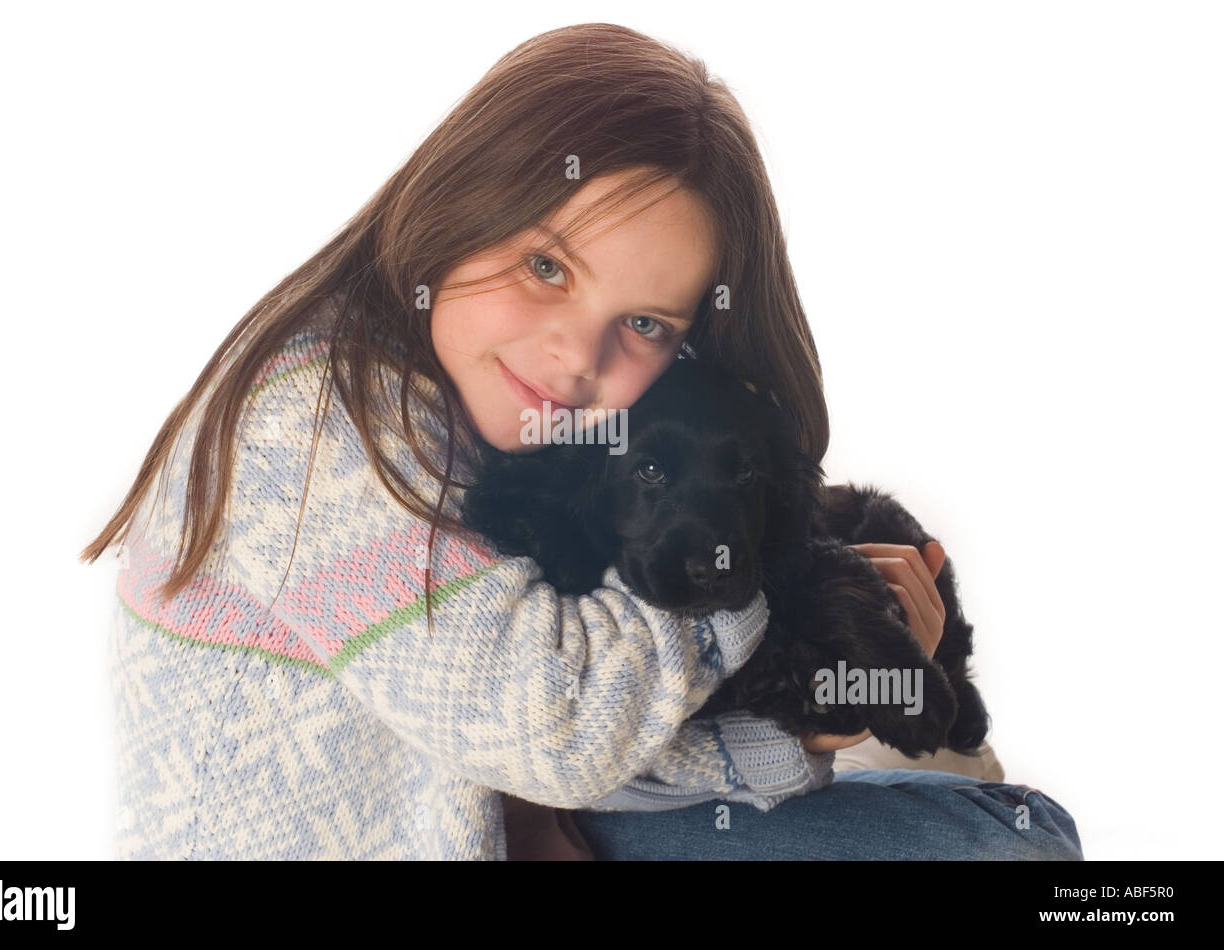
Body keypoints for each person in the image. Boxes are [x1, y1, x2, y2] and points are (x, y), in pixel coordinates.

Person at [81, 23, 1082, 861]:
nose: (573, 356)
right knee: (1001, 846)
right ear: (456, 205)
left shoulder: (481, 416)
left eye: (645, 324)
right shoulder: (309, 419)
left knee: (1006, 837)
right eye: (548, 266)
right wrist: (762, 574)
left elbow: (563, 748)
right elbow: (554, 728)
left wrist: (803, 728)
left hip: (507, 822)